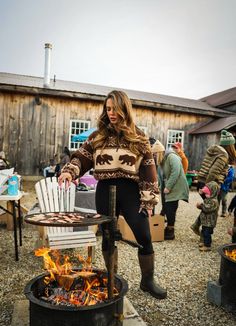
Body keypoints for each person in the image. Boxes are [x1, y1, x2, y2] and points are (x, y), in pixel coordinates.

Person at [59, 90, 167, 300]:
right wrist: (69, 171)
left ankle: (147, 280)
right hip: (105, 190)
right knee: (107, 236)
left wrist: (149, 198)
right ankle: (111, 279)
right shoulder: (97, 136)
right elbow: (82, 157)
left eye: (115, 109)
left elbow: (148, 168)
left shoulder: (138, 137)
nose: (111, 113)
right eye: (108, 109)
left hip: (130, 191)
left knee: (144, 234)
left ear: (124, 109)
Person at [191, 129, 236, 235]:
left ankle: (196, 226)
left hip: (203, 182)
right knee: (212, 212)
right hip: (210, 184)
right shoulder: (224, 154)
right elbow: (213, 172)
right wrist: (209, 188)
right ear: (230, 145)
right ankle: (205, 239)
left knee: (209, 208)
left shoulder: (215, 151)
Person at [153, 141, 189, 240]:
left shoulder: (171, 157)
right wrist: (159, 186)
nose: (154, 156)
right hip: (168, 185)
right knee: (165, 205)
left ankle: (170, 231)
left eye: (155, 154)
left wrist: (168, 187)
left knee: (170, 207)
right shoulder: (162, 161)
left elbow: (176, 172)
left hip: (176, 185)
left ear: (159, 152)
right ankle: (167, 227)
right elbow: (161, 176)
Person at [195, 181, 219, 252]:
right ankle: (203, 242)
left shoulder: (214, 201)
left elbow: (208, 209)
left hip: (210, 222)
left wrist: (201, 205)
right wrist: (200, 206)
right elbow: (205, 207)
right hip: (206, 221)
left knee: (207, 233)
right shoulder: (208, 199)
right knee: (203, 231)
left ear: (213, 193)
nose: (205, 195)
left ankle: (207, 245)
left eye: (207, 193)